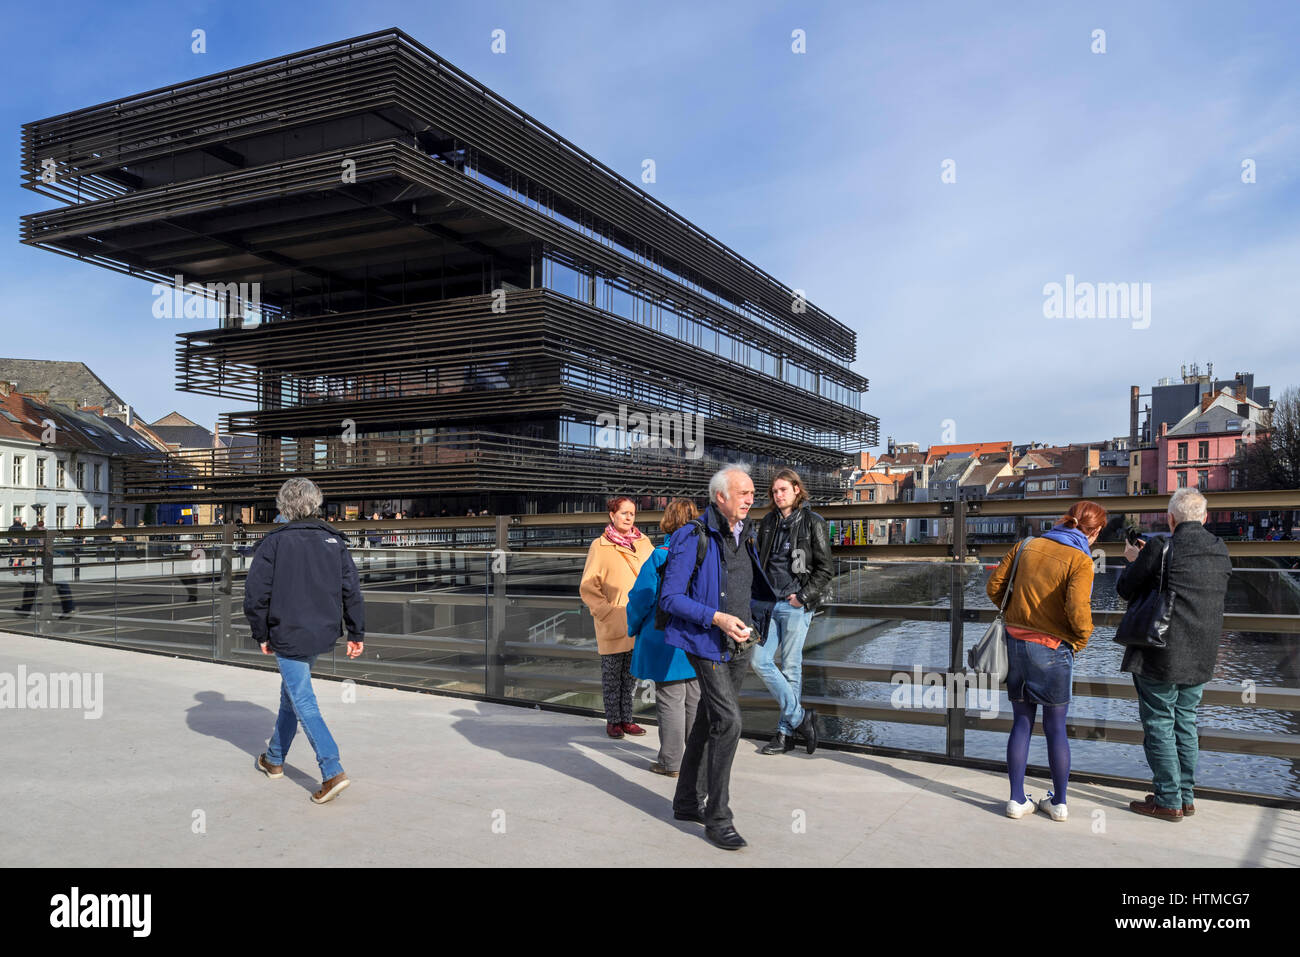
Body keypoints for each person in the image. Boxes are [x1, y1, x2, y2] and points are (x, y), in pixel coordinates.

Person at [660, 465, 778, 850]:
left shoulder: (748, 535)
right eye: (742, 493)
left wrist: (753, 621)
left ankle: (685, 802)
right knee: (729, 722)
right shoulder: (690, 536)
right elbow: (671, 598)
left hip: (740, 643)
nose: (750, 499)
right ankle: (718, 817)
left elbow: (748, 584)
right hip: (706, 642)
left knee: (709, 720)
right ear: (720, 497)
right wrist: (717, 618)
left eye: (752, 493)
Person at [244, 477, 365, 804]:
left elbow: (256, 594)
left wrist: (261, 633)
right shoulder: (333, 541)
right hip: (322, 632)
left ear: (284, 505)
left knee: (302, 697)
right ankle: (274, 759)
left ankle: (332, 769)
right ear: (315, 503)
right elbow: (351, 590)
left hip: (288, 632)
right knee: (291, 696)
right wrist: (356, 632)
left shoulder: (274, 542)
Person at [986, 501, 1107, 822]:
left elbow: (994, 586)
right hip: (1053, 649)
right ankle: (1060, 803)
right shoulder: (1081, 560)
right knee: (1055, 728)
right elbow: (1078, 611)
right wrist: (1079, 641)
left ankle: (1015, 800)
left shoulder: (1026, 545)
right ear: (1094, 531)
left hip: (1015, 643)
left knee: (1021, 722)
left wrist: (1015, 614)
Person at [1118, 488, 1231, 821]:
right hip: (1202, 653)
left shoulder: (1159, 547)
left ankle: (1168, 800)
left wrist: (1134, 561)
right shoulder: (1219, 549)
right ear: (1205, 518)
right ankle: (1185, 797)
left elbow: (1126, 589)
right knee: (1186, 723)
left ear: (1171, 518)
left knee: (1159, 723)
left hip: (1161, 652)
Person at [753, 468, 831, 755]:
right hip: (768, 604)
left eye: (783, 489)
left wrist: (803, 597)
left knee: (790, 667)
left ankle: (785, 733)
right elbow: (759, 563)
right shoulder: (768, 522)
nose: (777, 495)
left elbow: (825, 569)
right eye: (774, 491)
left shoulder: (813, 522)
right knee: (759, 661)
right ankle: (801, 718)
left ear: (797, 489)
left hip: (795, 604)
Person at [626, 499, 701, 776]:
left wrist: (633, 626)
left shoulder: (660, 556)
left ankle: (671, 762)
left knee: (670, 698)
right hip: (696, 635)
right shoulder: (704, 555)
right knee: (694, 697)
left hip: (664, 635)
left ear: (668, 521)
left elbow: (641, 597)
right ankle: (697, 760)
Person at [580, 496, 654, 738]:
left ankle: (627, 719)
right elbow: (588, 587)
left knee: (631, 675)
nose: (629, 517)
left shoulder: (644, 543)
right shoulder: (599, 546)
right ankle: (613, 720)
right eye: (624, 513)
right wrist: (606, 612)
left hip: (637, 619)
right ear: (612, 515)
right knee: (612, 675)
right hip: (612, 618)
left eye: (632, 513)